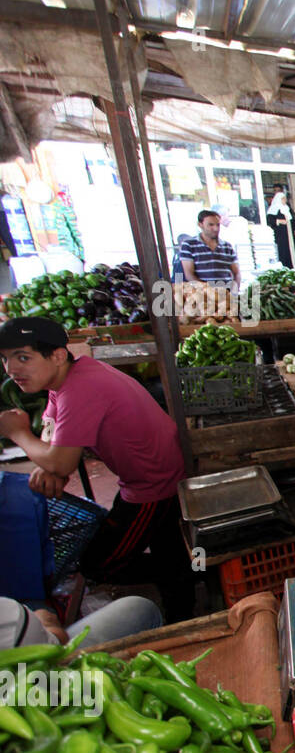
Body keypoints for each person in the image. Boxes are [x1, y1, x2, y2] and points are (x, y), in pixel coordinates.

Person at [0, 318, 193, 621]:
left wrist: (18, 434)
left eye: (23, 357)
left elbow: (61, 460)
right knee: (165, 543)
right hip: (154, 474)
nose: (11, 369)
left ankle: (190, 574)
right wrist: (50, 467)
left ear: (58, 355)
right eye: (5, 358)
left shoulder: (81, 388)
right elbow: (53, 436)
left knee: (100, 564)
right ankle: (183, 591)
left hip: (153, 484)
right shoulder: (67, 378)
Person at [2, 594, 164, 650]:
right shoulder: (8, 615)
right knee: (139, 608)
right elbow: (53, 646)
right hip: (39, 692)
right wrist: (47, 622)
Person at [179, 209, 240, 290]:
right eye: (210, 225)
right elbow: (189, 274)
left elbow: (237, 273)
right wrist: (208, 292)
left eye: (218, 225)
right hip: (202, 296)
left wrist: (235, 290)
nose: (215, 228)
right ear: (200, 224)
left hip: (226, 295)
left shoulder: (227, 247)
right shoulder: (189, 245)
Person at [266, 187, 294, 268]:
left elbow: (292, 220)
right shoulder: (273, 209)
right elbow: (270, 220)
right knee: (282, 251)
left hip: (288, 233)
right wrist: (279, 221)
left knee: (290, 250)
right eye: (283, 199)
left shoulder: (287, 208)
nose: (285, 201)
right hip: (280, 234)